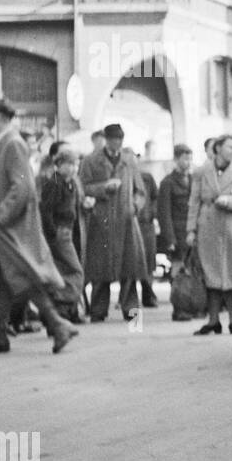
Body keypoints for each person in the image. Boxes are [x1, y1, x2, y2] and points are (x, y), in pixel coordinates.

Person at [0, 99, 76, 355]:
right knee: (5, 279)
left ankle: (57, 324)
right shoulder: (4, 144)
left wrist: (0, 216)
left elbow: (23, 188)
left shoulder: (13, 144)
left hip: (12, 229)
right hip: (6, 228)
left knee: (23, 277)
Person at [79, 123, 146, 322]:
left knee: (129, 268)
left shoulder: (129, 161)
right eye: (113, 139)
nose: (117, 142)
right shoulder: (90, 161)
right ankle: (98, 310)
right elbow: (83, 187)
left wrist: (135, 206)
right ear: (106, 139)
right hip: (102, 221)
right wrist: (103, 188)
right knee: (100, 268)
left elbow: (140, 191)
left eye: (120, 139)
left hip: (126, 221)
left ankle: (131, 309)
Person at [187, 134, 232, 335]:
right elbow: (194, 201)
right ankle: (213, 321)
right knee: (211, 273)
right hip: (208, 227)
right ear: (218, 148)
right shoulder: (202, 171)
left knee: (231, 273)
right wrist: (190, 230)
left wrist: (229, 202)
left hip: (230, 226)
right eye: (229, 146)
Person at [38, 145, 88, 322]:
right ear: (58, 165)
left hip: (69, 231)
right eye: (69, 164)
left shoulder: (71, 183)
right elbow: (46, 211)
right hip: (60, 233)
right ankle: (61, 305)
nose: (73, 168)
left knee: (65, 272)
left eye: (75, 164)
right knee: (75, 272)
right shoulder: (55, 184)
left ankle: (66, 311)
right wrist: (52, 234)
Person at [157, 144, 195, 320]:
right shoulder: (167, 182)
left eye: (189, 158)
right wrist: (170, 238)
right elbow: (164, 213)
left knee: (193, 271)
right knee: (177, 272)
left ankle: (192, 305)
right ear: (176, 159)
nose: (187, 162)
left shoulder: (194, 180)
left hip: (193, 232)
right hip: (177, 233)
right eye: (184, 158)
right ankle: (179, 308)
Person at [136, 161, 160, 309]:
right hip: (131, 224)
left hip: (146, 224)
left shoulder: (147, 177)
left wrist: (153, 214)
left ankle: (148, 294)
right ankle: (129, 300)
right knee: (133, 262)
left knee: (148, 261)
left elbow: (155, 198)